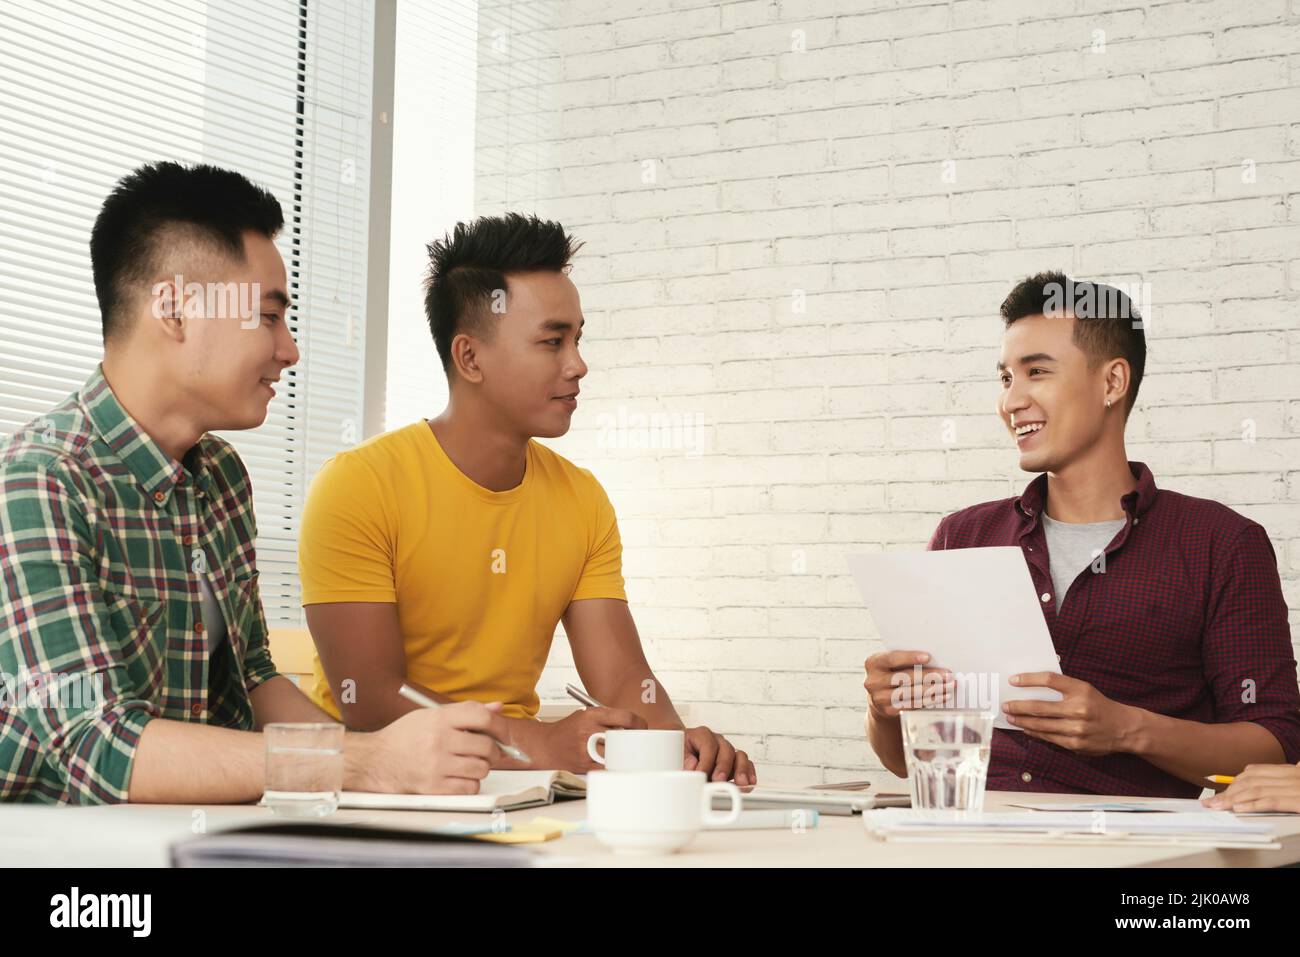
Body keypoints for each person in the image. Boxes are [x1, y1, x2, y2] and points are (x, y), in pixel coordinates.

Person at [0, 162, 506, 804]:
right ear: (176, 309)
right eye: (269, 316)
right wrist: (365, 761)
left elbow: (254, 680)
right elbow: (97, 745)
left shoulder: (220, 476)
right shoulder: (42, 480)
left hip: (186, 829)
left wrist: (394, 782)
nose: (289, 349)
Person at [298, 212, 756, 784]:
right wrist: (538, 741)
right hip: (384, 783)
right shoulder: (359, 484)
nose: (578, 364)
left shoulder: (581, 500)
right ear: (470, 358)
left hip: (520, 784)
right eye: (552, 341)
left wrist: (680, 750)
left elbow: (622, 681)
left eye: (578, 339)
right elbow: (367, 697)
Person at [864, 271, 1300, 797]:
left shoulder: (1220, 544)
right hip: (969, 838)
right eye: (1005, 378)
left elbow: (1275, 747)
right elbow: (905, 762)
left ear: (1112, 382)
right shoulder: (963, 535)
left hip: (1128, 855)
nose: (1011, 401)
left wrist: (1127, 730)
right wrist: (883, 708)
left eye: (1037, 372)